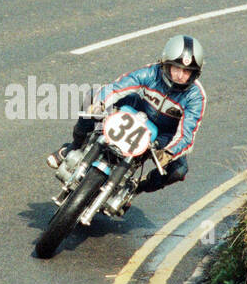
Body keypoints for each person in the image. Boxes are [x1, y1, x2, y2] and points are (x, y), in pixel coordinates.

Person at [46, 35, 206, 196]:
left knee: (179, 170)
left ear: (195, 74)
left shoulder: (196, 96)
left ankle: (135, 187)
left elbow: (187, 135)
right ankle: (73, 146)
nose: (180, 75)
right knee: (92, 96)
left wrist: (169, 152)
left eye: (187, 71)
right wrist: (100, 104)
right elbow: (116, 88)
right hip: (136, 110)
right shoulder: (151, 72)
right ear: (165, 64)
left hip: (164, 134)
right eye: (176, 68)